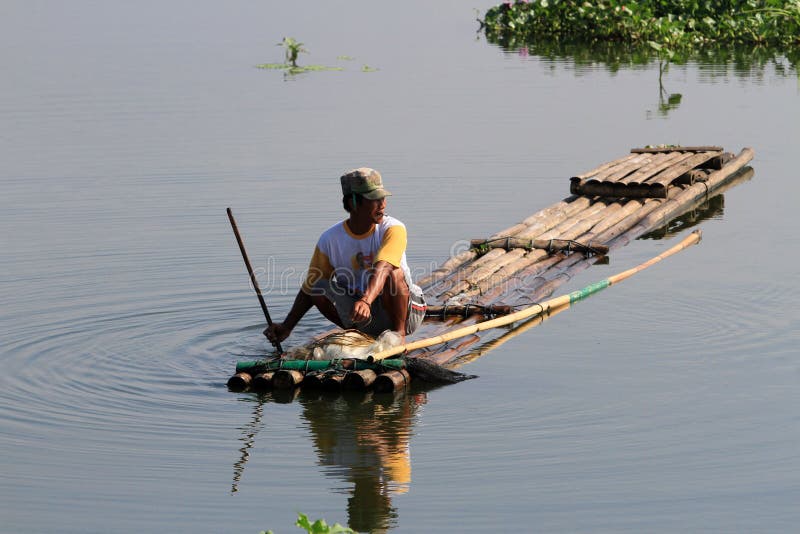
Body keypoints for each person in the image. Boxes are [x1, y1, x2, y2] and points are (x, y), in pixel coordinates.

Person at [264, 167, 425, 348]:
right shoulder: (330, 239)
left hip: (407, 314)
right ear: (354, 202)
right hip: (363, 315)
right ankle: (356, 333)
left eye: (383, 198)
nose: (383, 205)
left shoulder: (393, 228)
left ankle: (398, 336)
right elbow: (309, 287)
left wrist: (365, 300)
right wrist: (287, 326)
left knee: (393, 272)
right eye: (374, 199)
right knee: (318, 286)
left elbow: (384, 266)